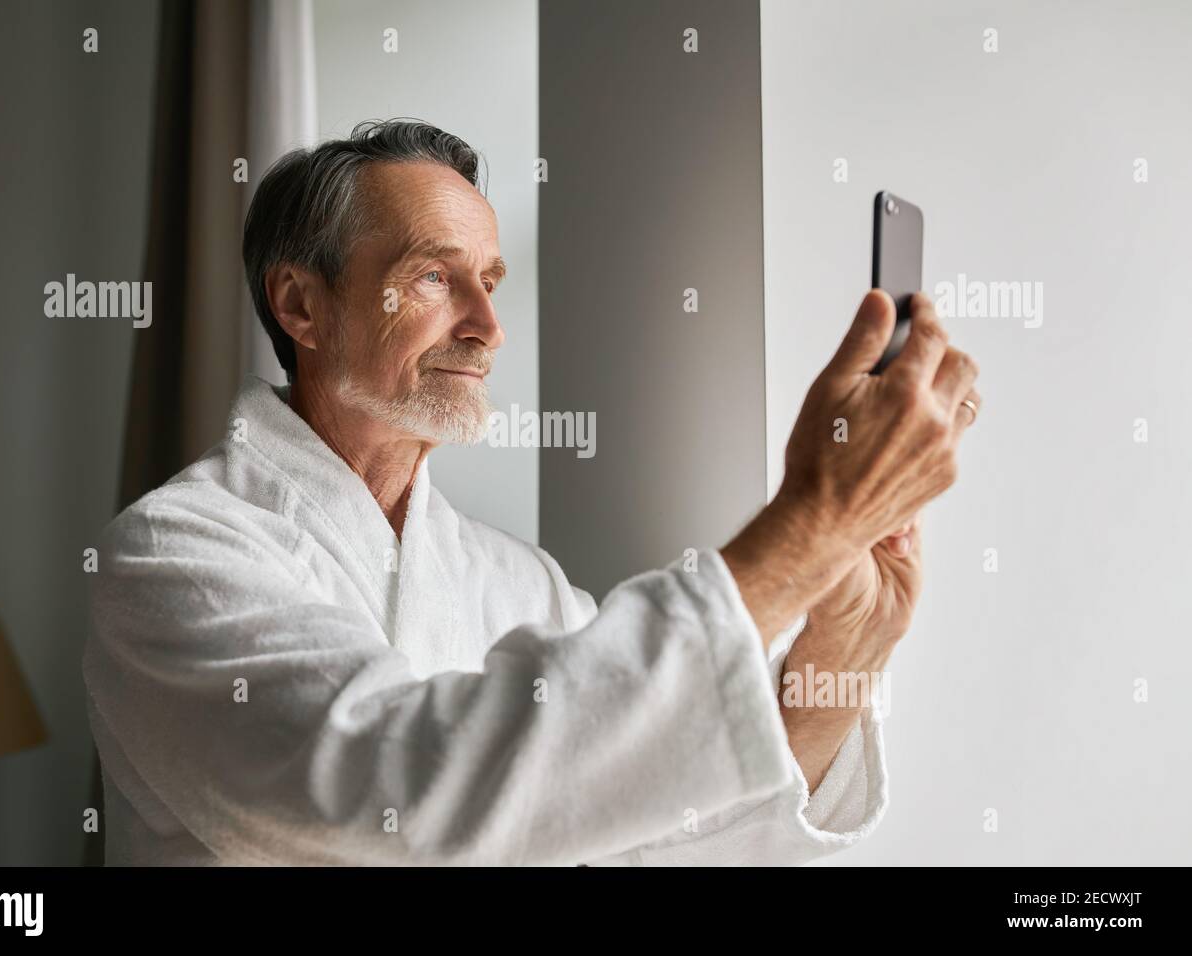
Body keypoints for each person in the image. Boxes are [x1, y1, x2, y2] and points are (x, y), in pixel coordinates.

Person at [83, 119, 981, 865]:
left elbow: (663, 835)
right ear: (301, 306)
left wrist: (845, 652)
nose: (488, 326)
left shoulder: (523, 583)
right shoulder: (174, 555)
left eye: (491, 281)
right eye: (435, 277)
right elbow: (395, 802)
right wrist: (811, 525)